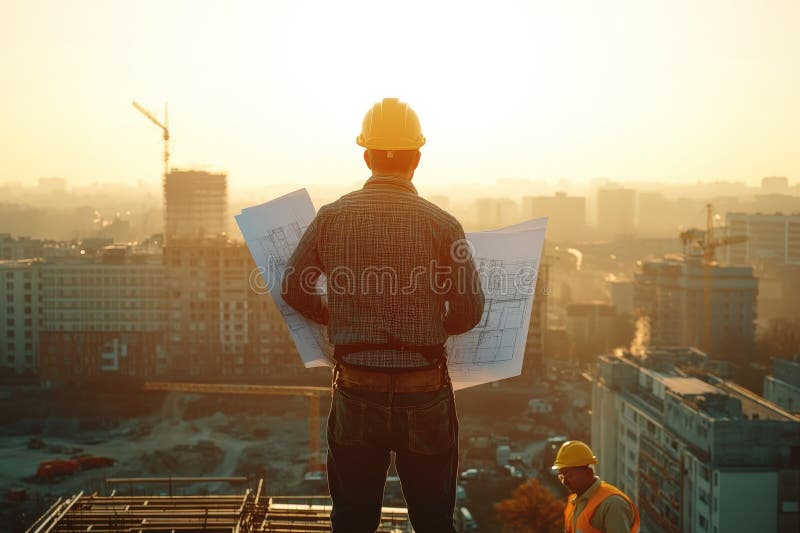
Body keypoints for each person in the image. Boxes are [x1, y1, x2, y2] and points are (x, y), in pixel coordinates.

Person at [281, 97, 485, 533]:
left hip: (356, 388)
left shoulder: (332, 218)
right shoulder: (443, 224)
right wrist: (439, 323)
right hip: (425, 388)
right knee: (433, 521)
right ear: (417, 158)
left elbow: (294, 287)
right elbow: (469, 310)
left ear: (367, 155)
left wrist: (332, 316)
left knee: (353, 521)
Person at [553, 440, 640, 533]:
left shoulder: (612, 505)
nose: (564, 481)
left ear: (588, 473)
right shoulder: (574, 502)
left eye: (569, 475)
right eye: (561, 476)